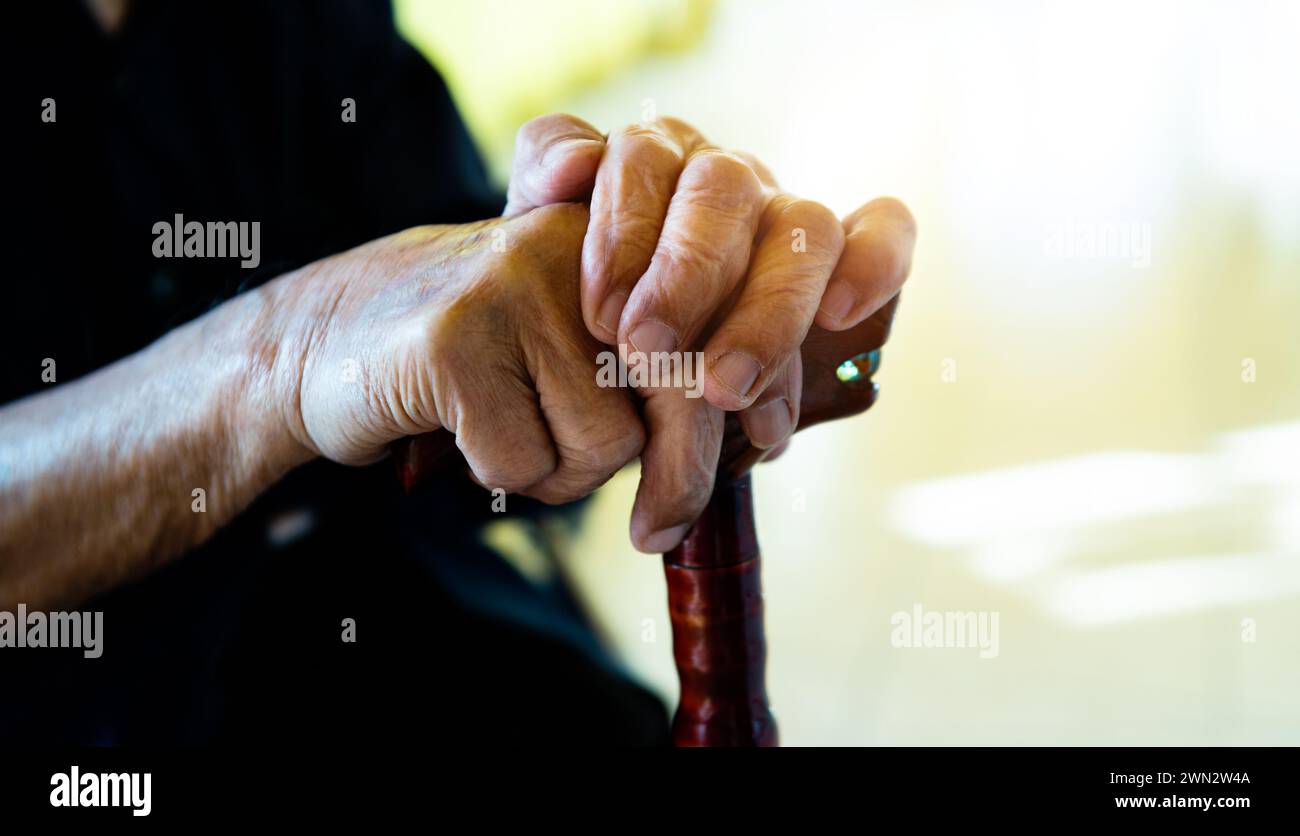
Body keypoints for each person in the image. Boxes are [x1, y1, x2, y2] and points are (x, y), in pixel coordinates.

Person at [1, 0, 915, 744]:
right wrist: (279, 355)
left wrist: (644, 290)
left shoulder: (315, 25)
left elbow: (513, 403)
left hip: (459, 664)